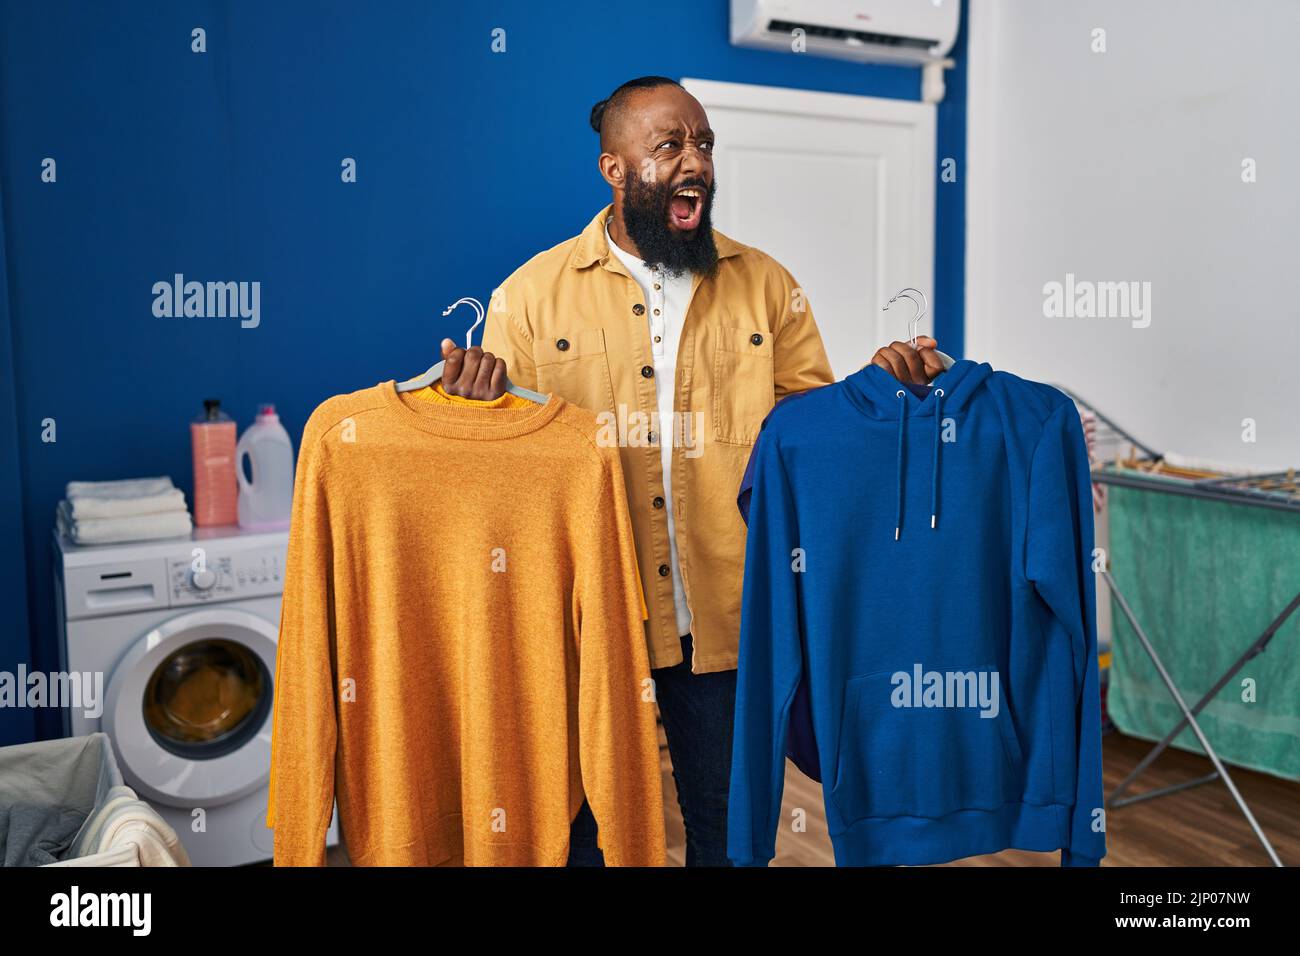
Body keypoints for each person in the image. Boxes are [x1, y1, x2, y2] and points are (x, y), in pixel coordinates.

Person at [435, 76, 945, 866]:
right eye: (668, 145)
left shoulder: (768, 287)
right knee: (582, 836)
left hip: (724, 619)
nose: (694, 162)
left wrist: (875, 390)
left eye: (703, 143)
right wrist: (474, 413)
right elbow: (500, 476)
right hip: (591, 617)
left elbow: (810, 437)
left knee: (732, 835)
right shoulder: (529, 299)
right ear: (614, 169)